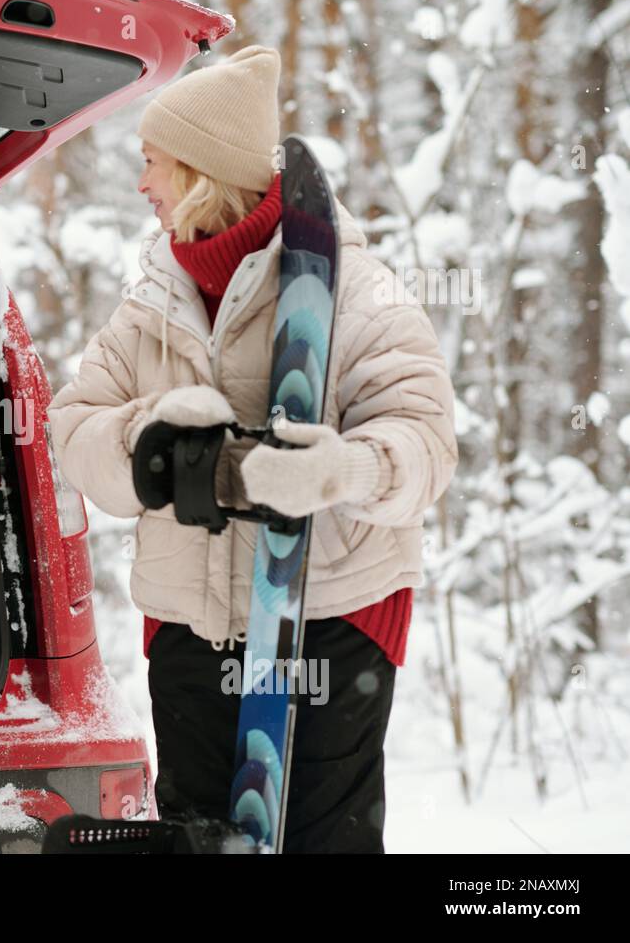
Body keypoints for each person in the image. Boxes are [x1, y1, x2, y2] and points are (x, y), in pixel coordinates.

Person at [47, 46, 458, 852]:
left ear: (202, 171)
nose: (142, 185)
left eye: (153, 163)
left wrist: (339, 469)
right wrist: (146, 446)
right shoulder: (151, 305)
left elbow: (424, 444)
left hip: (333, 618)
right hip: (192, 623)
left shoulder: (363, 295)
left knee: (322, 841)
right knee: (201, 835)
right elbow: (75, 427)